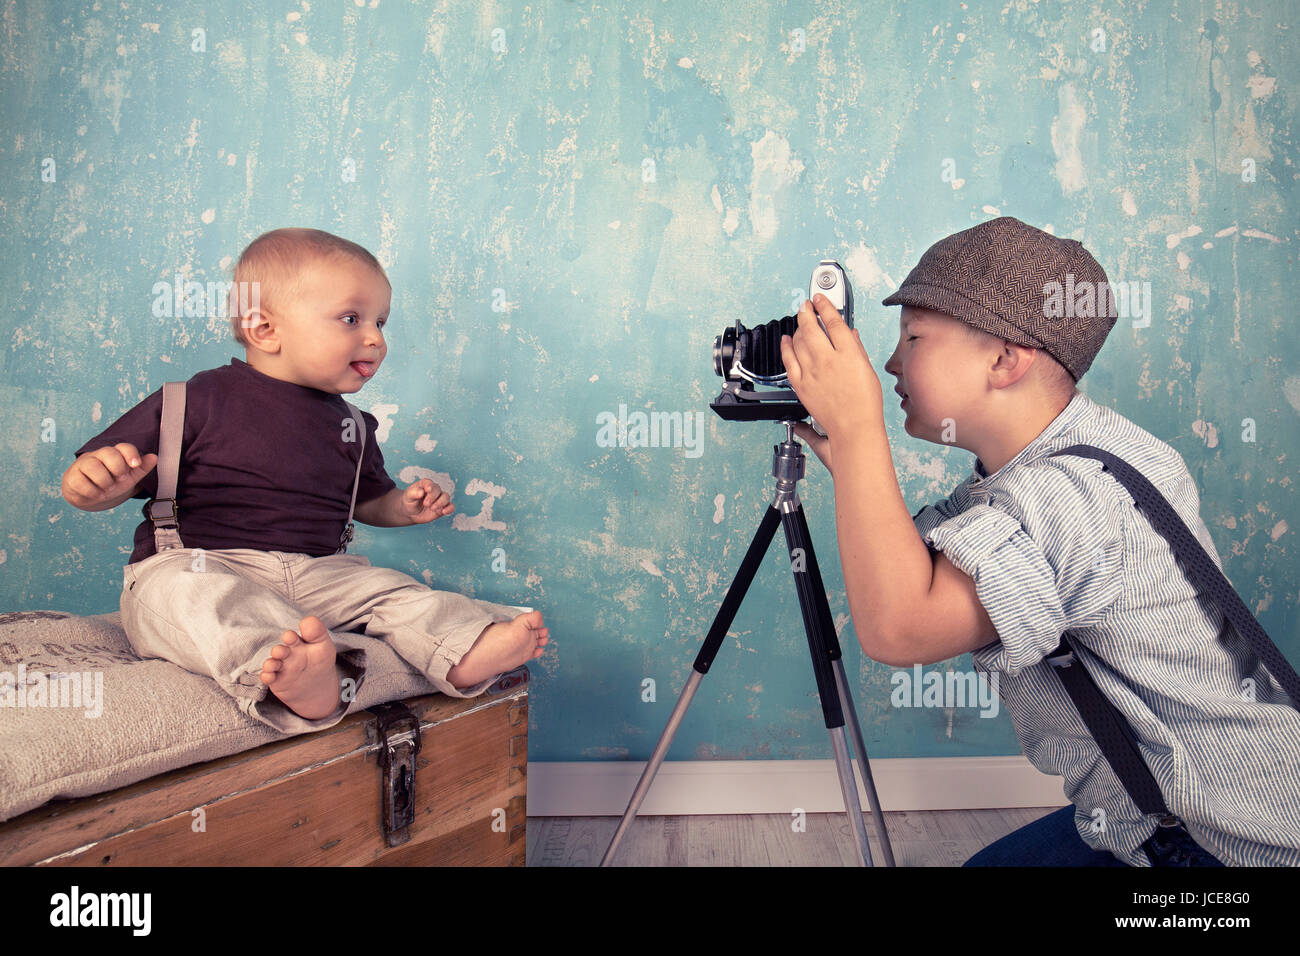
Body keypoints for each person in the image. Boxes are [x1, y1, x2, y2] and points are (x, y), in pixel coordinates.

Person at [779, 216, 1300, 866]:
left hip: (1222, 842)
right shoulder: (1086, 453)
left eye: (913, 336)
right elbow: (917, 567)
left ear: (1005, 359)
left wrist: (861, 435)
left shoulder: (1068, 497)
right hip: (1166, 806)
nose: (888, 363)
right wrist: (855, 464)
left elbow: (900, 628)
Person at [61, 227, 549, 733]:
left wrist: (403, 507)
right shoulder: (195, 399)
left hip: (318, 576)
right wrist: (89, 486)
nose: (376, 338)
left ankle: (462, 648)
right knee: (188, 598)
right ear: (265, 330)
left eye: (381, 322)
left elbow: (369, 500)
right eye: (351, 318)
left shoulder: (353, 425)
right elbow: (104, 481)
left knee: (392, 591)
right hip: (200, 562)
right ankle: (291, 672)